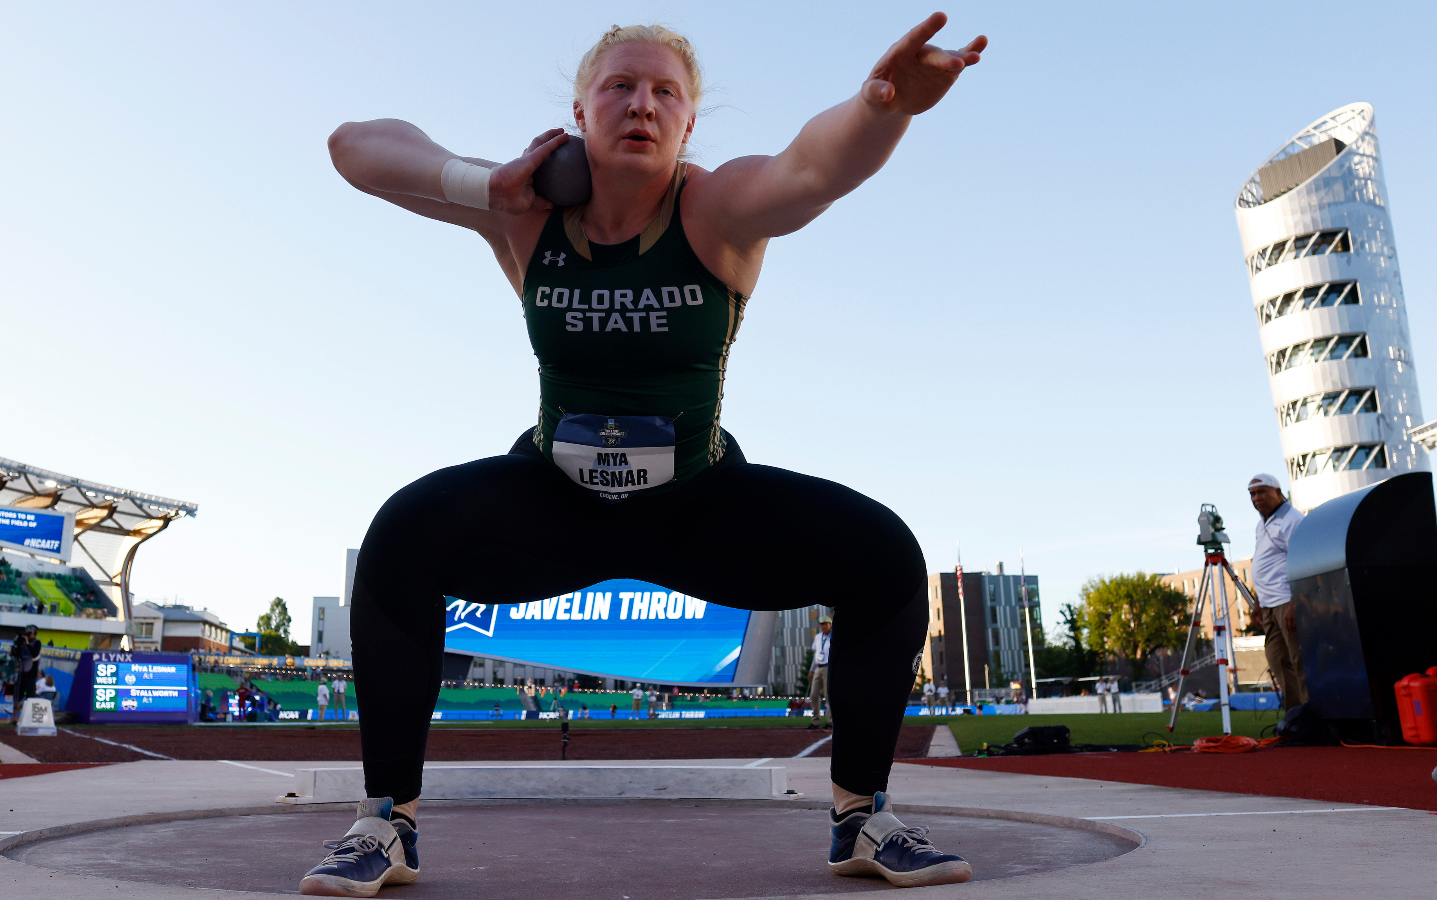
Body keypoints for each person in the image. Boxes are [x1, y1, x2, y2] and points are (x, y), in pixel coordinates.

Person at [302, 17, 984, 895]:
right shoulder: (522, 213)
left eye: (666, 93)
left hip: (696, 505)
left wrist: (883, 107)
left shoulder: (716, 209)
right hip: (552, 505)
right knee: (401, 536)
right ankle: (384, 825)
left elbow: (815, 168)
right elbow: (351, 146)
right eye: (620, 87)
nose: (642, 105)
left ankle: (862, 817)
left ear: (689, 126)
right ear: (579, 113)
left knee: (885, 554)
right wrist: (488, 183)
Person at [1248, 473, 1308, 709]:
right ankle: (1295, 712)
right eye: (1252, 494)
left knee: (1298, 658)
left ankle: (1313, 713)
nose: (1256, 498)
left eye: (1262, 492)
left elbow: (1300, 560)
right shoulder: (1262, 524)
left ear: (1278, 492)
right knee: (1277, 658)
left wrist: (1295, 603)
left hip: (1286, 600)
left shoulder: (1292, 520)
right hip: (1269, 604)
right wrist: (1257, 602)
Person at [807, 615, 833, 730]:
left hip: (828, 667)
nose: (824, 626)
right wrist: (811, 670)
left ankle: (831, 721)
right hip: (818, 666)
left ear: (830, 624)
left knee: (828, 695)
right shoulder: (818, 637)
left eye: (826, 623)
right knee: (814, 694)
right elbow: (816, 655)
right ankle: (815, 721)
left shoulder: (834, 636)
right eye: (822, 624)